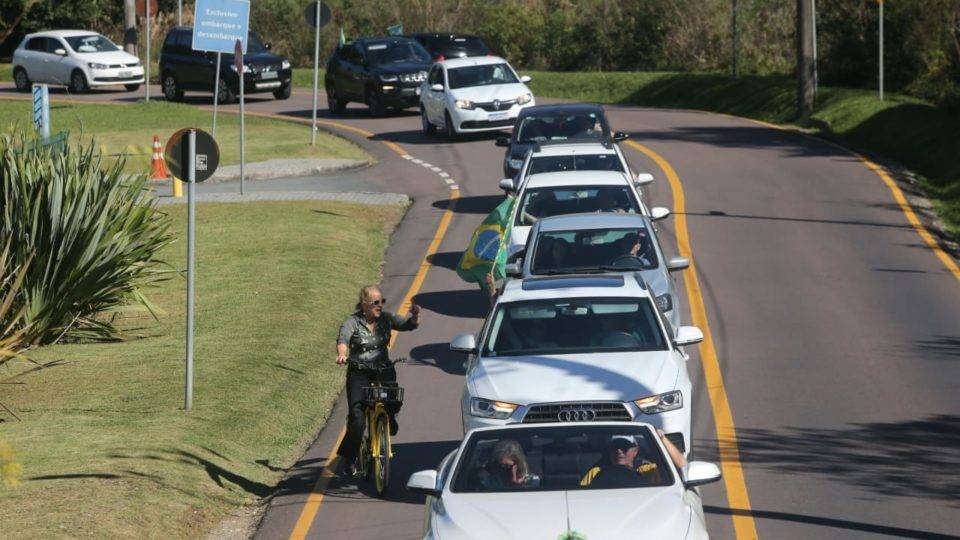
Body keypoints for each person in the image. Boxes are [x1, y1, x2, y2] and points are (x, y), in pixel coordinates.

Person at [336, 285, 421, 477]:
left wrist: (415, 316)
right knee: (357, 419)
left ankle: (389, 417)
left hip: (383, 370)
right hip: (359, 373)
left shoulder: (386, 319)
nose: (380, 305)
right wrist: (342, 355)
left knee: (392, 399)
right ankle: (349, 458)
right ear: (365, 304)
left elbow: (407, 325)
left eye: (382, 301)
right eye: (376, 302)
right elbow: (343, 339)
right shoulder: (353, 322)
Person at [580, 430, 686, 488]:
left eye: (624, 446)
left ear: (635, 450)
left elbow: (681, 465)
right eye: (615, 446)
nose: (619, 451)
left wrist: (662, 438)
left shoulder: (647, 470)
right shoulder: (596, 472)